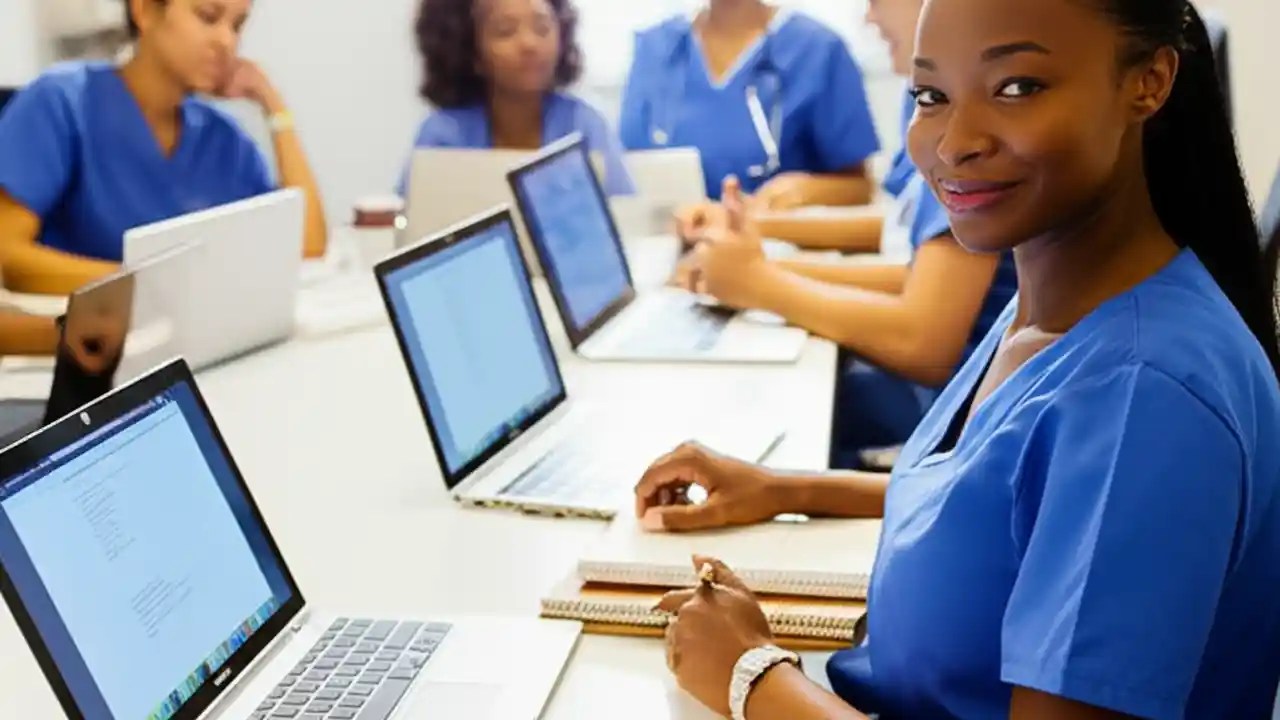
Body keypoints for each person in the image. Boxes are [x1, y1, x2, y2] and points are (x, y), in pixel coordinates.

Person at [636, 0, 1280, 717]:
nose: (953, 142)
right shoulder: (1054, 301)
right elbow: (995, 501)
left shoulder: (1144, 396)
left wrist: (751, 676)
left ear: (1149, 81)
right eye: (930, 96)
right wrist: (784, 490)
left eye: (1017, 87)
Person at [680, 0, 1017, 469]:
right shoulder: (933, 110)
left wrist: (761, 284)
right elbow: (914, 268)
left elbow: (925, 340)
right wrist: (753, 262)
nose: (868, 18)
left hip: (950, 415)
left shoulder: (967, 134)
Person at [0, 0, 328, 297]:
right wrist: (151, 288)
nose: (227, 41)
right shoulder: (62, 103)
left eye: (237, 25)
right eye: (208, 16)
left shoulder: (224, 140)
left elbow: (307, 248)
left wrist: (274, 106)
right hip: (87, 337)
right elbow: (7, 254)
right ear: (143, 10)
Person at [620, 0, 879, 210]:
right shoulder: (657, 50)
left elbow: (860, 188)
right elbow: (624, 174)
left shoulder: (817, 50)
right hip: (663, 249)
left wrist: (803, 192)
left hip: (776, 250)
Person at [399, 0, 633, 197]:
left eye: (542, 28)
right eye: (505, 31)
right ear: (472, 52)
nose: (529, 44)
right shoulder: (443, 134)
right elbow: (413, 223)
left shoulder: (584, 124)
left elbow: (626, 218)